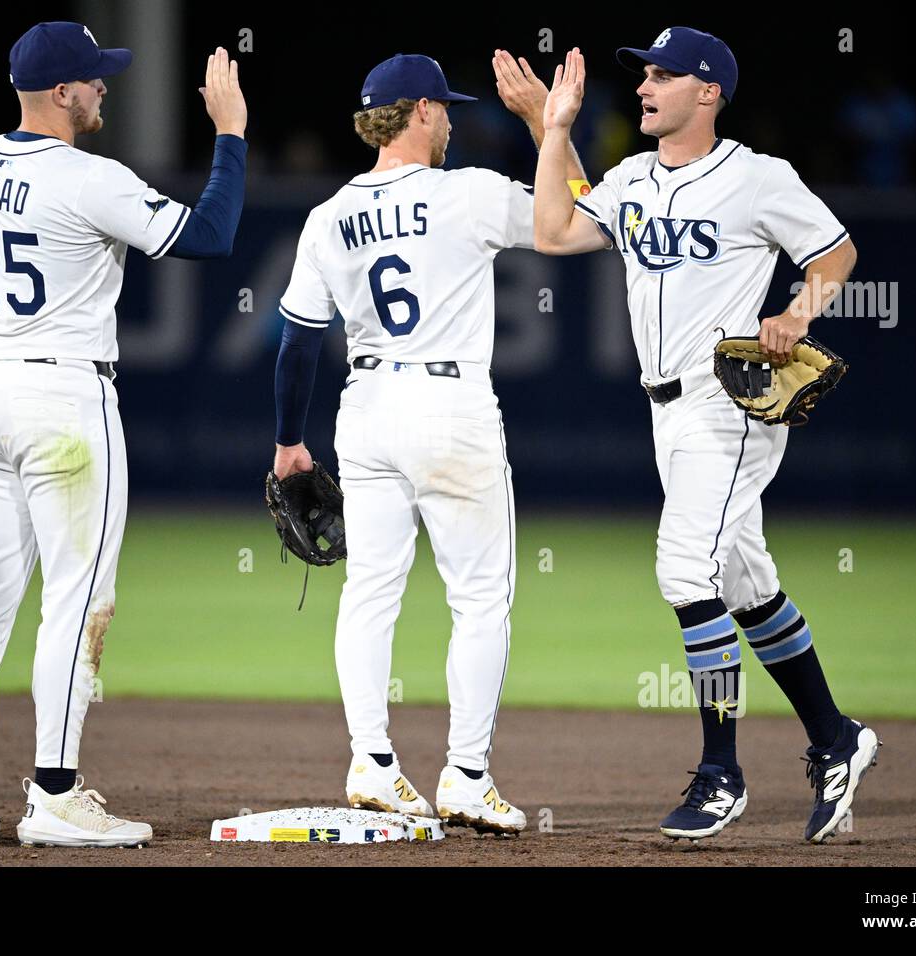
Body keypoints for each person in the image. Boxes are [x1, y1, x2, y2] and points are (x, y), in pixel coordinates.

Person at [531, 32, 878, 843]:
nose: (645, 86)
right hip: (663, 409)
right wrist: (550, 131)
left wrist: (797, 312)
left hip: (731, 402)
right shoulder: (631, 178)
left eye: (663, 74)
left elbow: (836, 252)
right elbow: (553, 232)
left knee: (684, 565)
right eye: (643, 74)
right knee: (747, 582)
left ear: (709, 91)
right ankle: (837, 738)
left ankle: (721, 772)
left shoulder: (756, 178)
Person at [0, 21, 247, 847]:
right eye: (96, 79)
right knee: (78, 596)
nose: (107, 88)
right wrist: (232, 134)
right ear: (62, 92)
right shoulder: (87, 178)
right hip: (64, 401)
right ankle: (56, 794)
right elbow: (209, 236)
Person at [271, 52, 586, 833]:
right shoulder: (468, 193)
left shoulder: (328, 216)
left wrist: (287, 444)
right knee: (480, 599)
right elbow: (581, 216)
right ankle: (468, 776)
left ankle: (372, 762)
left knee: (370, 591)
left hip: (366, 406)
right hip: (450, 406)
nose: (449, 118)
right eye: (442, 107)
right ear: (417, 112)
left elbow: (297, 344)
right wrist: (547, 125)